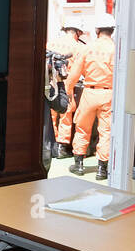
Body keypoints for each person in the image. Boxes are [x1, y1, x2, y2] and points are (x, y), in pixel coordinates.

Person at [63, 13, 115, 181]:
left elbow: (75, 73)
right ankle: (102, 169)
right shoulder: (116, 48)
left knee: (82, 127)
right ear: (112, 31)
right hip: (109, 93)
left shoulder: (87, 48)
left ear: (97, 30)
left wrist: (67, 90)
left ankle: (78, 165)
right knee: (106, 131)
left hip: (90, 92)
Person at [48, 18, 87, 158]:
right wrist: (68, 89)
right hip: (65, 83)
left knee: (51, 113)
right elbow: (78, 71)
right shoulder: (79, 47)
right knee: (66, 113)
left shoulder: (51, 42)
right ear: (78, 32)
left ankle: (50, 145)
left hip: (50, 83)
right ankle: (61, 147)